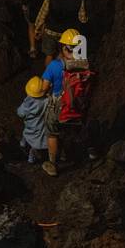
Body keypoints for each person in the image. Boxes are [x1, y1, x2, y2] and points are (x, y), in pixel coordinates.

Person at [39, 29, 81, 176]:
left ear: (63, 46)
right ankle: (71, 153)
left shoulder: (54, 66)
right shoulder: (84, 63)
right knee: (70, 129)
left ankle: (52, 164)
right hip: (77, 105)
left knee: (52, 133)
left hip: (58, 105)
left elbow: (43, 89)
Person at [32, 0, 88, 66]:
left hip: (50, 32)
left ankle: (48, 77)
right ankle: (63, 78)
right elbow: (83, 19)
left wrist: (37, 30)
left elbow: (41, 17)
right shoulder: (79, 0)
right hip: (67, 34)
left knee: (49, 55)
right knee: (63, 55)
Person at [16, 76, 49, 165]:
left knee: (27, 135)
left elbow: (20, 113)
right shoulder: (46, 101)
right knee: (36, 143)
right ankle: (30, 156)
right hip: (41, 127)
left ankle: (25, 149)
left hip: (30, 126)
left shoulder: (28, 103)